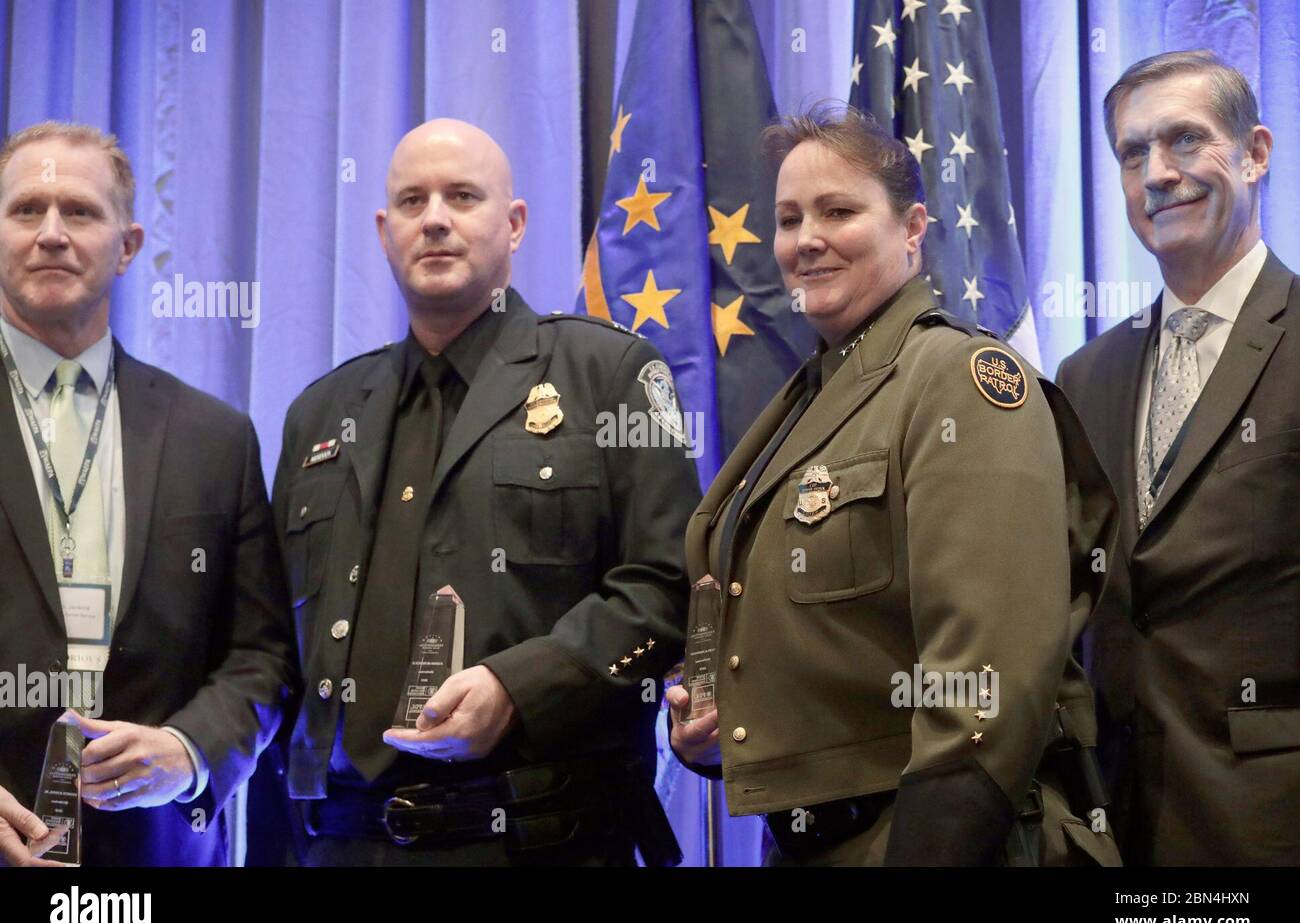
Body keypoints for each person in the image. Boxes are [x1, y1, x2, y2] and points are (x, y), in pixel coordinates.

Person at [668, 106, 1120, 866]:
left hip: (948, 840)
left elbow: (987, 680)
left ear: (912, 228)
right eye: (788, 218)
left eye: (838, 210)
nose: (805, 238)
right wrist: (719, 731)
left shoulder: (961, 378)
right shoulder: (812, 396)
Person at [270, 118, 697, 865]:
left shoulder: (611, 374)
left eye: (462, 196)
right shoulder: (320, 413)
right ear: (382, 229)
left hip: (540, 838)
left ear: (515, 222)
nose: (434, 217)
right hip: (345, 842)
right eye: (411, 201)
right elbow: (271, 638)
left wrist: (519, 687)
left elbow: (665, 589)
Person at [0, 121, 295, 866]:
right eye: (27, 209)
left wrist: (190, 748)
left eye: (82, 211)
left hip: (156, 856)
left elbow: (261, 654)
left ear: (128, 246)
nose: (53, 234)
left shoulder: (216, 437)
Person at [1056, 51, 1300, 865]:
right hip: (1115, 823)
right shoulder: (1085, 376)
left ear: (1255, 152)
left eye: (1185, 141)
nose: (1158, 173)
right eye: (1133, 153)